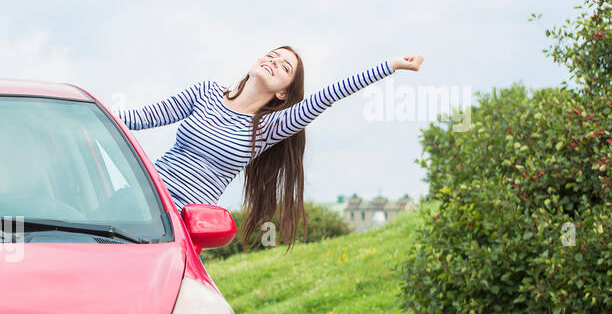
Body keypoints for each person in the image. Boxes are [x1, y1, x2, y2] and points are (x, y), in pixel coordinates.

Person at [117, 47, 423, 250]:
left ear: (282, 92)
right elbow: (138, 119)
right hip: (137, 200)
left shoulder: (269, 127)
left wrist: (391, 66)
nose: (274, 61)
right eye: (271, 55)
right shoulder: (205, 93)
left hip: (178, 228)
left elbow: (330, 94)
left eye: (284, 66)